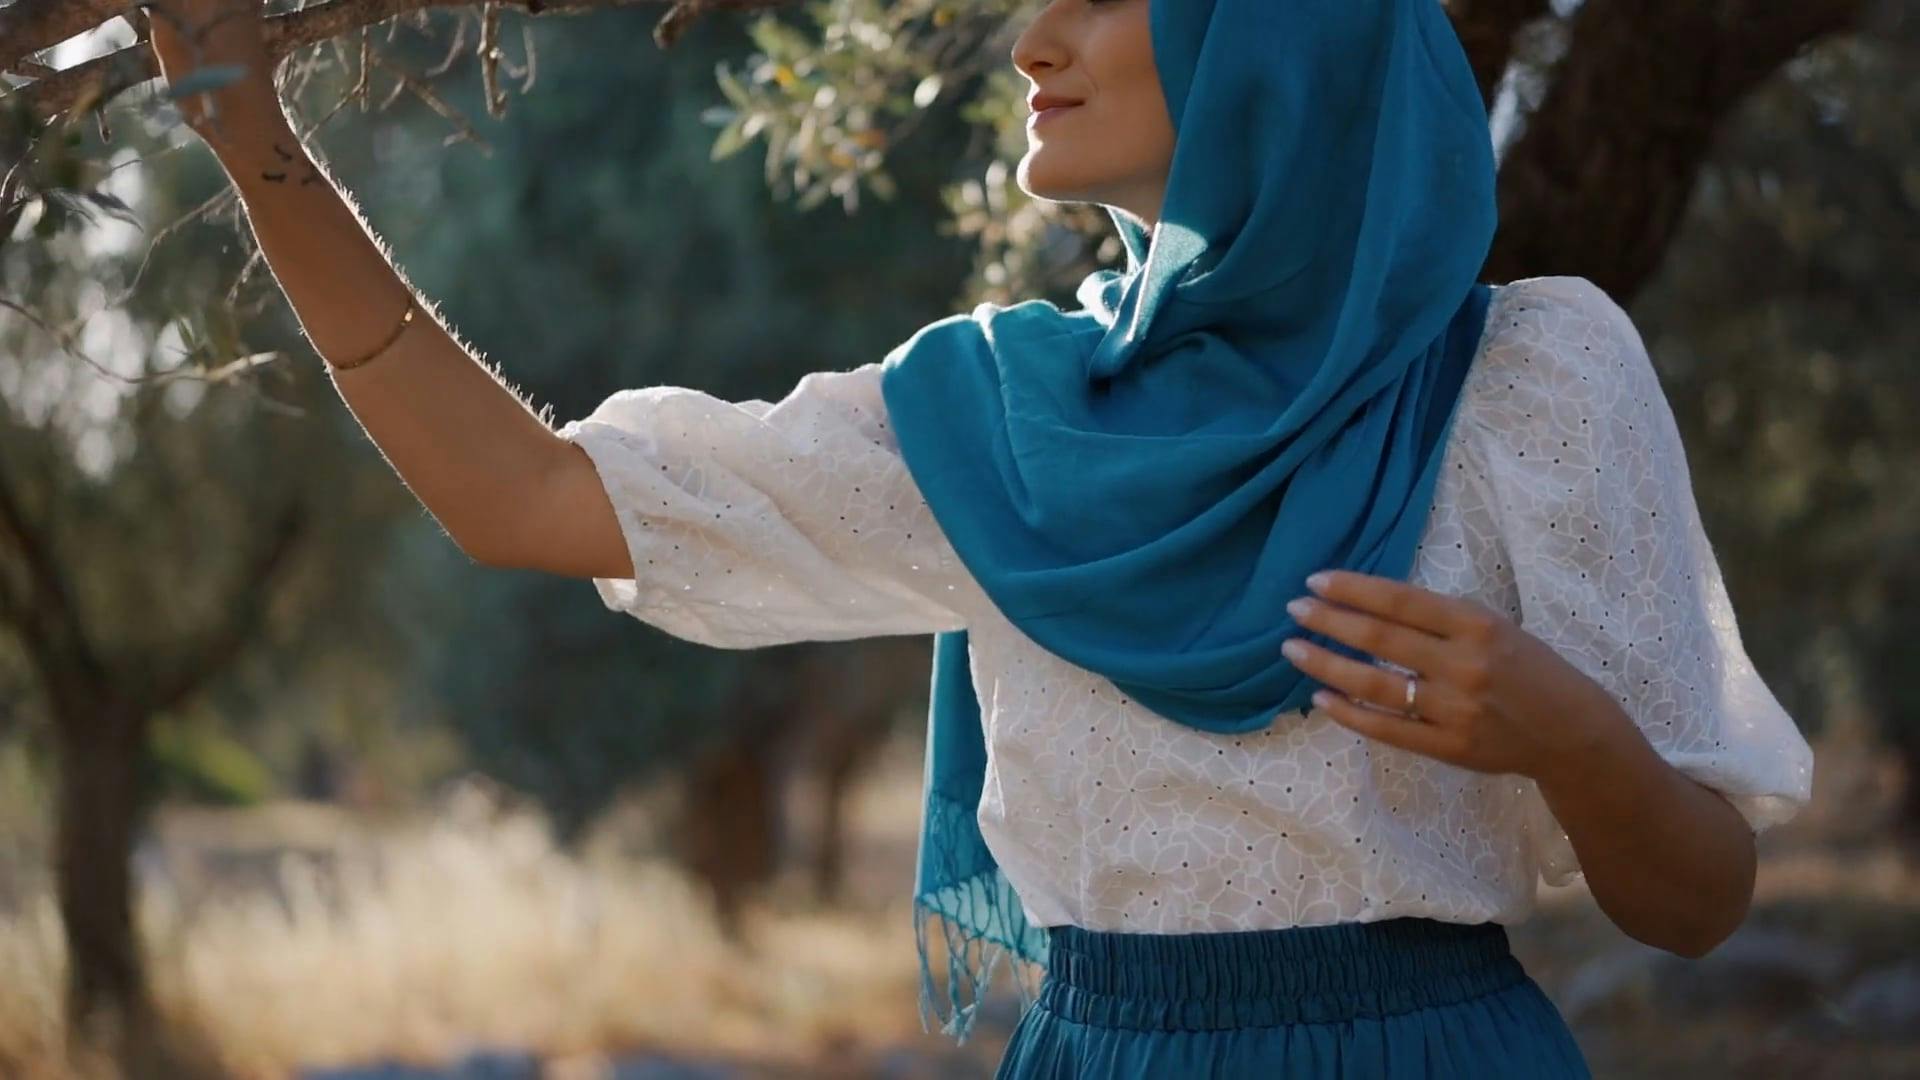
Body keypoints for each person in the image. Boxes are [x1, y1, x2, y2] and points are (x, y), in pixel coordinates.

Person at [151, 0, 1814, 1075]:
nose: (1030, 34)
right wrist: (260, 152)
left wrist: (1573, 739)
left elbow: (1698, 902)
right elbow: (522, 500)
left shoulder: (1534, 379)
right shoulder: (994, 429)